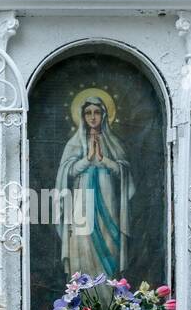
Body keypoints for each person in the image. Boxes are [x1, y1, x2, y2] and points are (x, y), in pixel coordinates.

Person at [54, 93, 134, 278]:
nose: (92, 116)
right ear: (82, 116)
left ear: (104, 115)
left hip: (108, 201)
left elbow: (124, 173)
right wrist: (87, 158)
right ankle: (82, 301)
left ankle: (111, 299)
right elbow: (67, 172)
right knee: (82, 242)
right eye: (88, 112)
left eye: (96, 112)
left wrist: (103, 159)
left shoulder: (113, 143)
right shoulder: (74, 143)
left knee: (109, 241)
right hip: (81, 201)